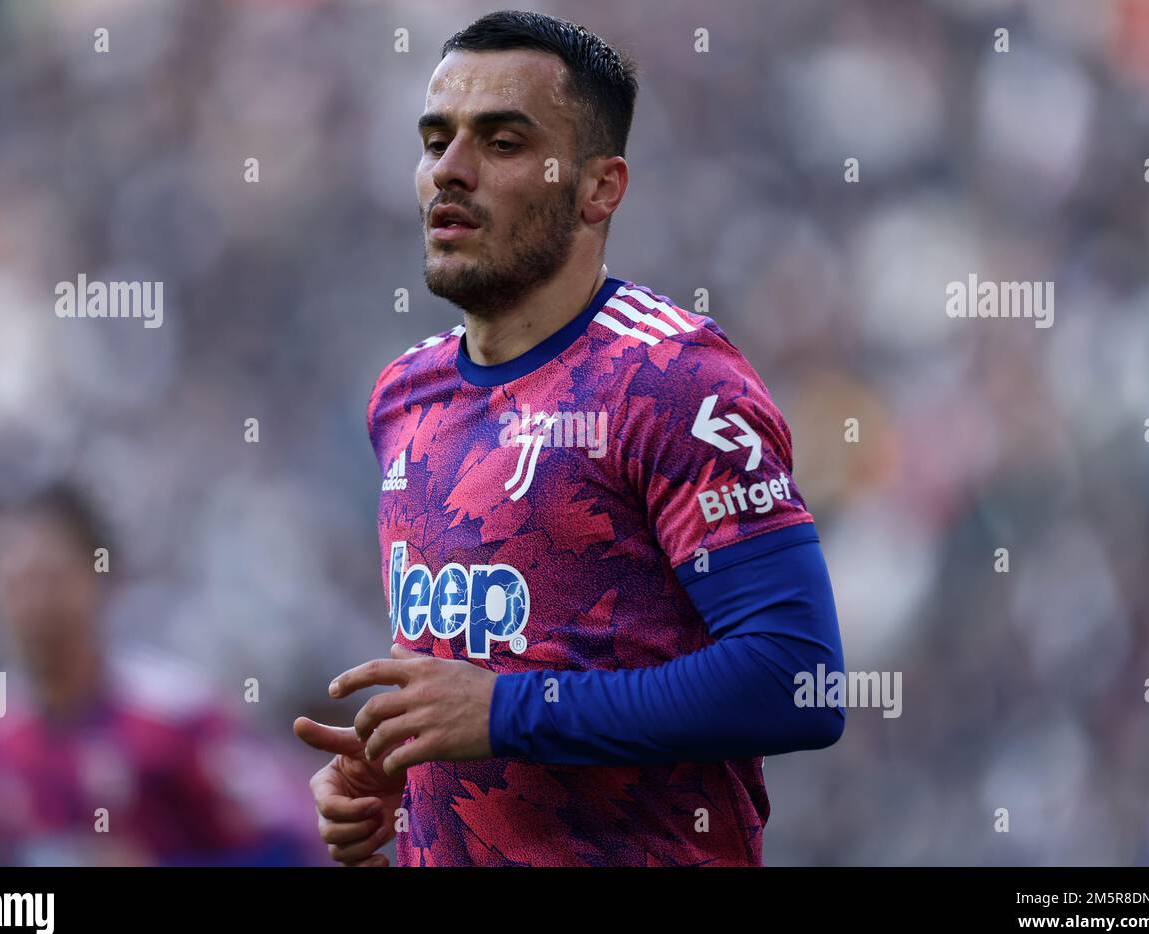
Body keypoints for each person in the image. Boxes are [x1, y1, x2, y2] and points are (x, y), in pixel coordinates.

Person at [295, 9, 845, 867]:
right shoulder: (403, 395)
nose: (450, 171)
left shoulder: (672, 382)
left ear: (599, 188)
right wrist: (394, 775)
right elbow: (480, 678)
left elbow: (796, 681)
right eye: (435, 140)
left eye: (502, 143)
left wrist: (505, 715)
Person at [0, 482, 321, 866]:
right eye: (15, 584)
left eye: (51, 579)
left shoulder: (178, 717)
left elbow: (296, 848)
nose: (35, 604)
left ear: (101, 579)